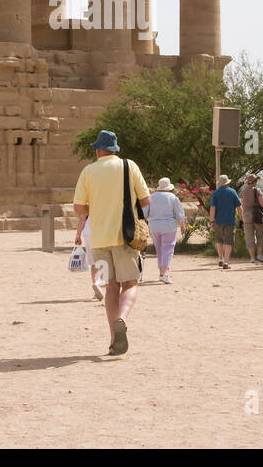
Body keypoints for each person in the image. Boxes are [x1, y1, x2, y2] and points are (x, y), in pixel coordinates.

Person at [72, 130, 151, 356]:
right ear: (115, 149)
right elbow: (146, 200)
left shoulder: (88, 171)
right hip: (125, 237)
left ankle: (114, 340)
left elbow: (79, 209)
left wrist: (97, 206)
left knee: (111, 288)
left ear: (97, 150)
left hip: (98, 239)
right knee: (131, 284)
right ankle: (122, 319)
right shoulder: (129, 166)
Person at [146, 178, 184, 283]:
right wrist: (182, 225)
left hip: (154, 225)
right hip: (168, 226)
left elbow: (145, 212)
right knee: (168, 248)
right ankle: (163, 273)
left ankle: (161, 271)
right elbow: (179, 213)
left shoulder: (152, 197)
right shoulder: (173, 197)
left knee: (159, 249)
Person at [208, 175, 242, 269]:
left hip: (218, 221)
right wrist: (241, 219)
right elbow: (239, 207)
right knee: (228, 241)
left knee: (219, 240)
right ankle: (226, 262)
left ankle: (220, 259)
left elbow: (212, 208)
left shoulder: (215, 193)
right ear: (227, 182)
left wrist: (211, 221)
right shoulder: (232, 192)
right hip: (229, 220)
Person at [238, 174, 263, 263]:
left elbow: (242, 204)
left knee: (249, 236)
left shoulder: (243, 191)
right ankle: (259, 255)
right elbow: (262, 203)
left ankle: (252, 257)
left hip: (246, 215)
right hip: (257, 215)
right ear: (254, 181)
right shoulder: (257, 190)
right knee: (260, 235)